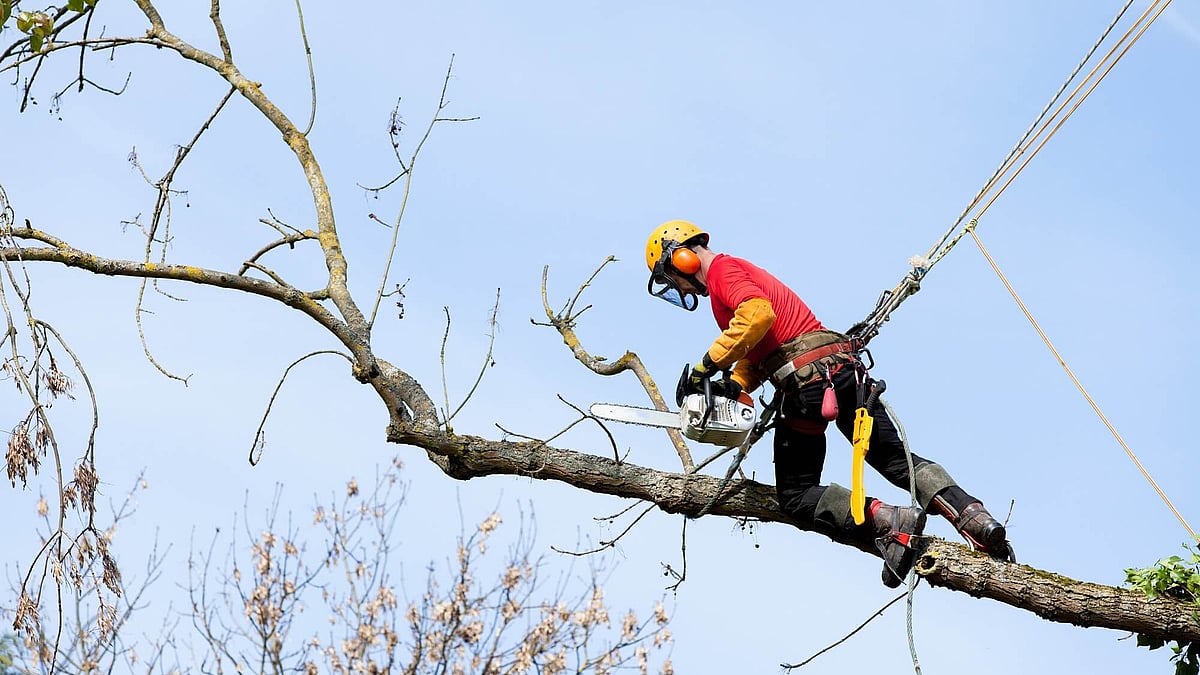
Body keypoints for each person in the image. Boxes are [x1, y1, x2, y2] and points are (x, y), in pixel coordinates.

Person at [645, 220, 1014, 586]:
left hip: (807, 386)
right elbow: (759, 348)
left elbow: (757, 315)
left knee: (797, 494)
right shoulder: (734, 275)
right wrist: (735, 383)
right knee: (893, 458)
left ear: (681, 258)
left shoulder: (724, 271)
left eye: (670, 277)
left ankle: (887, 521)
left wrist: (706, 367)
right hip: (840, 373)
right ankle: (974, 517)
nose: (677, 286)